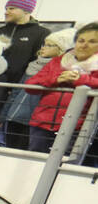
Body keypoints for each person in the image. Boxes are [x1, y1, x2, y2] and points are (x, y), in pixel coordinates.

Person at [0, 0, 52, 146]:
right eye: (6, 8)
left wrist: (20, 89)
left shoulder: (41, 34)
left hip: (13, 94)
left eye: (11, 8)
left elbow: (39, 64)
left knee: (2, 139)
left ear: (26, 10)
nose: (7, 12)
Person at [24, 21, 98, 155]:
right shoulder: (58, 61)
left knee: (64, 162)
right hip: (42, 122)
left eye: (92, 41)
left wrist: (81, 80)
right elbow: (30, 86)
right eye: (81, 40)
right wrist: (56, 79)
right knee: (34, 160)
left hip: (76, 126)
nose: (84, 45)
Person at [0, 29, 72, 150]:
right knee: (9, 150)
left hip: (33, 119)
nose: (43, 48)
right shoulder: (32, 65)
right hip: (14, 115)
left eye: (49, 45)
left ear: (60, 49)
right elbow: (16, 91)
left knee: (24, 152)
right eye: (44, 44)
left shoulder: (59, 68)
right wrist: (4, 113)